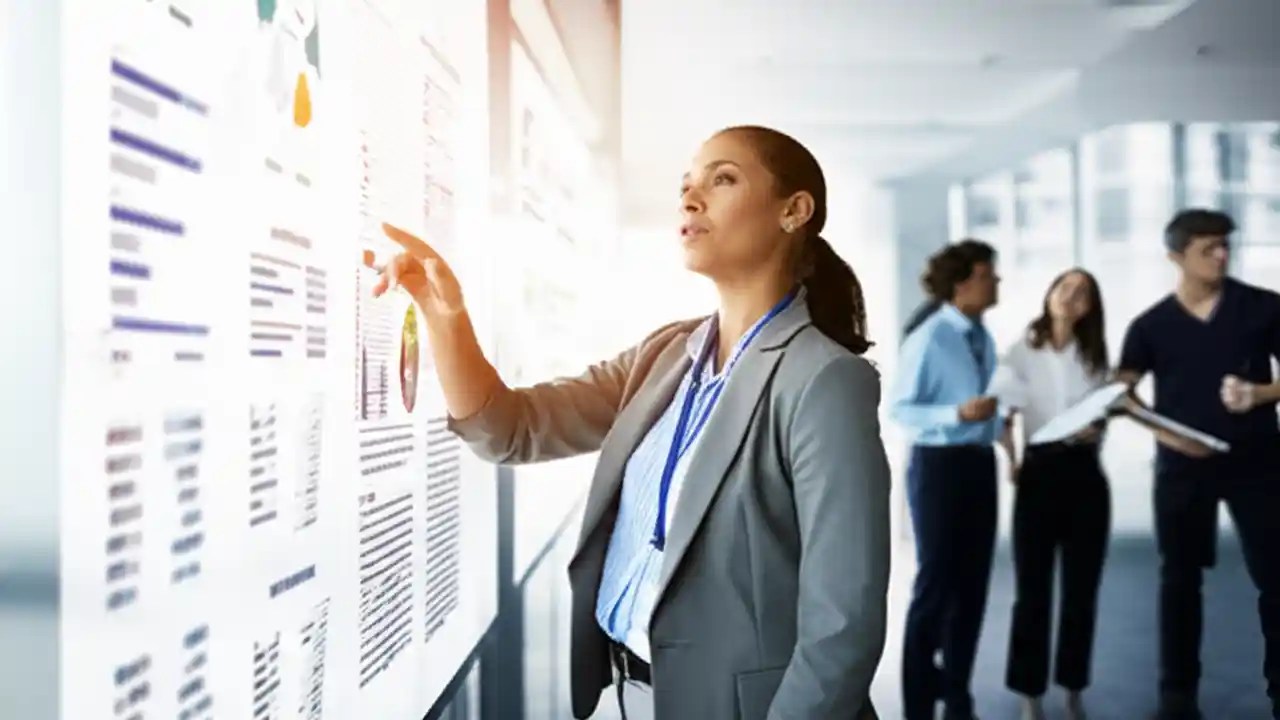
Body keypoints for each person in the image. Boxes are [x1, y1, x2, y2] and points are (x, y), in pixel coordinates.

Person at [368, 126, 891, 720]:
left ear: (794, 211)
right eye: (686, 186)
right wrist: (447, 317)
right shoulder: (666, 355)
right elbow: (510, 429)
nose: (691, 199)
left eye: (722, 179)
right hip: (628, 695)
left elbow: (843, 624)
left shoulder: (823, 378)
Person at [1115, 209, 1280, 720]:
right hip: (1181, 470)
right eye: (1208, 248)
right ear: (1175, 256)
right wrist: (1168, 434)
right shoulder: (1150, 325)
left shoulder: (1264, 308)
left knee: (1277, 577)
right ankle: (1177, 694)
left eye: (1225, 246)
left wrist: (1261, 392)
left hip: (1259, 462)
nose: (1221, 256)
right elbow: (1121, 394)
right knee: (1180, 579)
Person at [989, 269, 1111, 720]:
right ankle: (1029, 694)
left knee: (1082, 591)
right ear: (1050, 292)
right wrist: (1012, 458)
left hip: (1085, 474)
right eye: (1066, 287)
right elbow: (1005, 414)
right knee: (1032, 591)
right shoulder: (1021, 352)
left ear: (1090, 307)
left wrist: (1095, 428)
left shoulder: (1095, 355)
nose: (1073, 296)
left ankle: (1073, 689)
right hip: (1039, 474)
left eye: (1084, 292)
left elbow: (1105, 411)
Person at [889, 239, 1001, 720]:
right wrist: (956, 412)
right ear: (962, 284)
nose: (996, 282)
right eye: (988, 274)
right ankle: (917, 700)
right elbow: (899, 409)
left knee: (973, 583)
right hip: (938, 468)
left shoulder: (983, 334)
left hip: (979, 462)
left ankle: (957, 692)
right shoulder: (931, 336)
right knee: (937, 581)